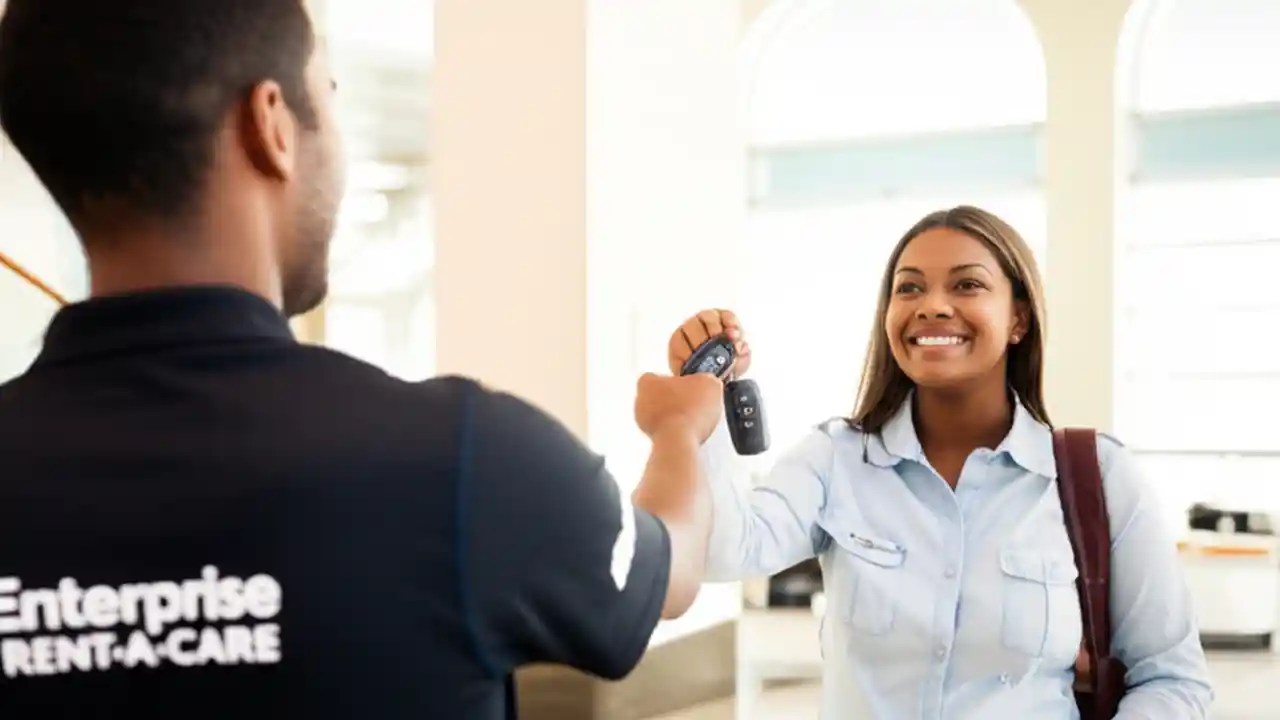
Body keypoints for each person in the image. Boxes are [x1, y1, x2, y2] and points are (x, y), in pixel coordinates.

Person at [0, 1, 725, 717]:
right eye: (332, 95)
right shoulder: (470, 460)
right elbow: (670, 572)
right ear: (272, 124)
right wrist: (676, 429)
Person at [669, 206, 1214, 719]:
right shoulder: (835, 459)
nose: (931, 304)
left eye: (967, 284)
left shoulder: (1099, 476)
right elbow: (722, 552)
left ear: (1018, 317)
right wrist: (703, 406)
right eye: (909, 287)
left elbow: (1172, 679)